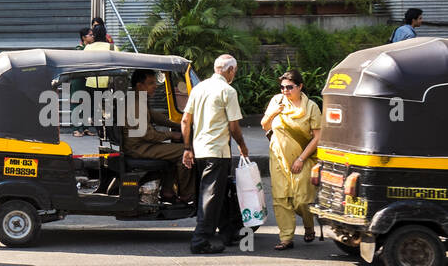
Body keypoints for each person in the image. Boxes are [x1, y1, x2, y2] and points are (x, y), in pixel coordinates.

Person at [181, 54, 250, 254]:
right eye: (233, 72)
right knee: (210, 197)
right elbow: (234, 126)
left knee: (215, 194)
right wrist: (242, 145)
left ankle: (227, 231)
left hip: (200, 149)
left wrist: (187, 148)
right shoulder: (227, 91)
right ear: (230, 71)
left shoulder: (198, 88)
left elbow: (185, 121)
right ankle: (200, 240)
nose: (233, 75)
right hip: (217, 151)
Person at [261, 69, 322, 250]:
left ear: (300, 86)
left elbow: (317, 137)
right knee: (281, 199)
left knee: (302, 199)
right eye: (282, 87)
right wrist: (272, 113)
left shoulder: (311, 107)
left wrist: (301, 159)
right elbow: (264, 125)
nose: (285, 91)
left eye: (289, 87)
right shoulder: (277, 101)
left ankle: (309, 225)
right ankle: (286, 238)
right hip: (278, 158)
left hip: (301, 159)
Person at [124, 69, 195, 202]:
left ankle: (168, 191)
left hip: (140, 144)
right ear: (140, 86)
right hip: (139, 147)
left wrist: (177, 125)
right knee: (183, 152)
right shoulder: (136, 103)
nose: (155, 86)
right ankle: (187, 194)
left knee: (173, 150)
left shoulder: (139, 98)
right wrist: (171, 135)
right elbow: (148, 134)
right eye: (151, 83)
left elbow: (154, 116)